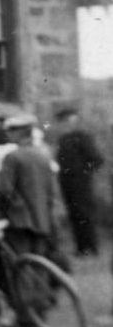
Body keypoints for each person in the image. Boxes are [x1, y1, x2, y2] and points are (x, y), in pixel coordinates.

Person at [0, 115, 61, 262]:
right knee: (40, 262)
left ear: (19, 133)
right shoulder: (43, 156)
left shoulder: (12, 157)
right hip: (42, 218)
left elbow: (3, 190)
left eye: (11, 130)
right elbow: (52, 191)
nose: (8, 134)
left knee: (20, 263)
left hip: (18, 220)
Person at [53, 108, 103, 256]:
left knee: (84, 214)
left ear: (73, 121)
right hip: (67, 183)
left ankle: (91, 247)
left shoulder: (83, 137)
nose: (65, 125)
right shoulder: (63, 139)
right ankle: (81, 247)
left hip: (81, 184)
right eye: (63, 122)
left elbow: (97, 159)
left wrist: (83, 174)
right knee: (74, 214)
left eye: (68, 121)